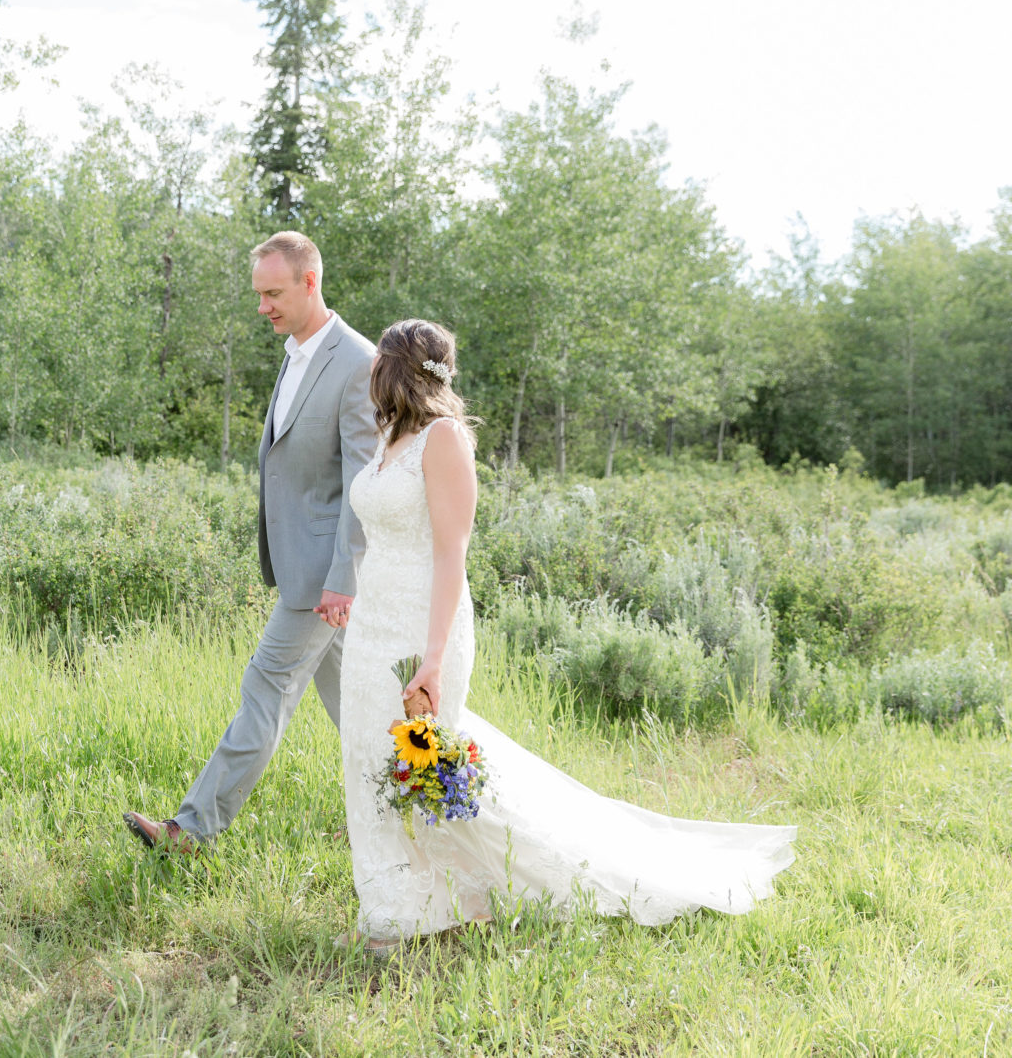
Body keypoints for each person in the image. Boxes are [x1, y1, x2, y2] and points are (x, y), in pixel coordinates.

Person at [337, 319, 797, 953]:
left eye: (377, 362)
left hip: (421, 628)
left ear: (399, 368)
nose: (368, 373)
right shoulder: (391, 438)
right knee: (371, 759)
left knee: (419, 763)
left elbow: (452, 553)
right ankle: (403, 904)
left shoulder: (443, 439)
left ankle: (459, 901)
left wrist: (435, 657)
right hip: (371, 625)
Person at [124, 231, 377, 853]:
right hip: (305, 567)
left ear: (309, 282)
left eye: (272, 292)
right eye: (258, 294)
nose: (262, 306)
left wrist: (343, 576)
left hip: (324, 576)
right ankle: (405, 814)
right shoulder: (296, 351)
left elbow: (362, 485)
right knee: (362, 709)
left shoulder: (356, 363)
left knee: (266, 687)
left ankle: (191, 830)